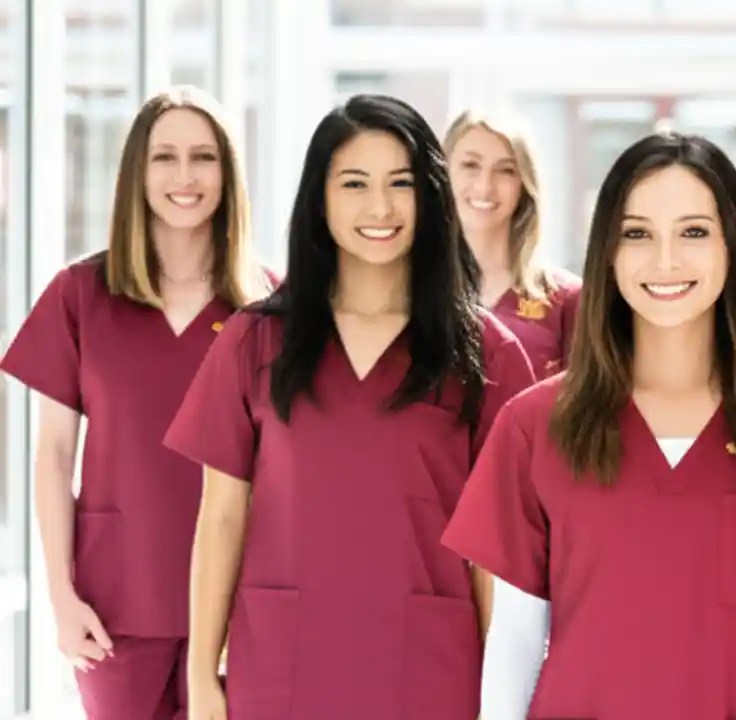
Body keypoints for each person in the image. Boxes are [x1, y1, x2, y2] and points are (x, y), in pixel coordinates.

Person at [442, 132, 736, 719]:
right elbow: (516, 640)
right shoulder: (535, 426)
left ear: (734, 245)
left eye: (694, 232)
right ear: (608, 251)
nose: (665, 261)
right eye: (637, 234)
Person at [164, 94, 536, 719]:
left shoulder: (484, 353)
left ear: (431, 198)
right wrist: (202, 678)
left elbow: (496, 557)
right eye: (355, 183)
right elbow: (221, 519)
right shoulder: (254, 342)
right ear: (320, 198)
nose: (380, 207)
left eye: (401, 183)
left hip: (431, 674)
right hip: (282, 669)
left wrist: (503, 701)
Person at [0, 85, 270, 719]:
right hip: (114, 605)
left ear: (228, 174)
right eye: (164, 157)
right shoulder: (79, 294)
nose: (185, 176)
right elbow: (53, 456)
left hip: (236, 605)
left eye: (203, 158)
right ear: (136, 174)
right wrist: (62, 597)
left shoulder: (268, 308)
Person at [444, 109, 581, 377]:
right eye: (470, 165)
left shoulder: (569, 300)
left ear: (524, 184)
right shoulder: (408, 290)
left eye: (506, 170)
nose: (485, 186)